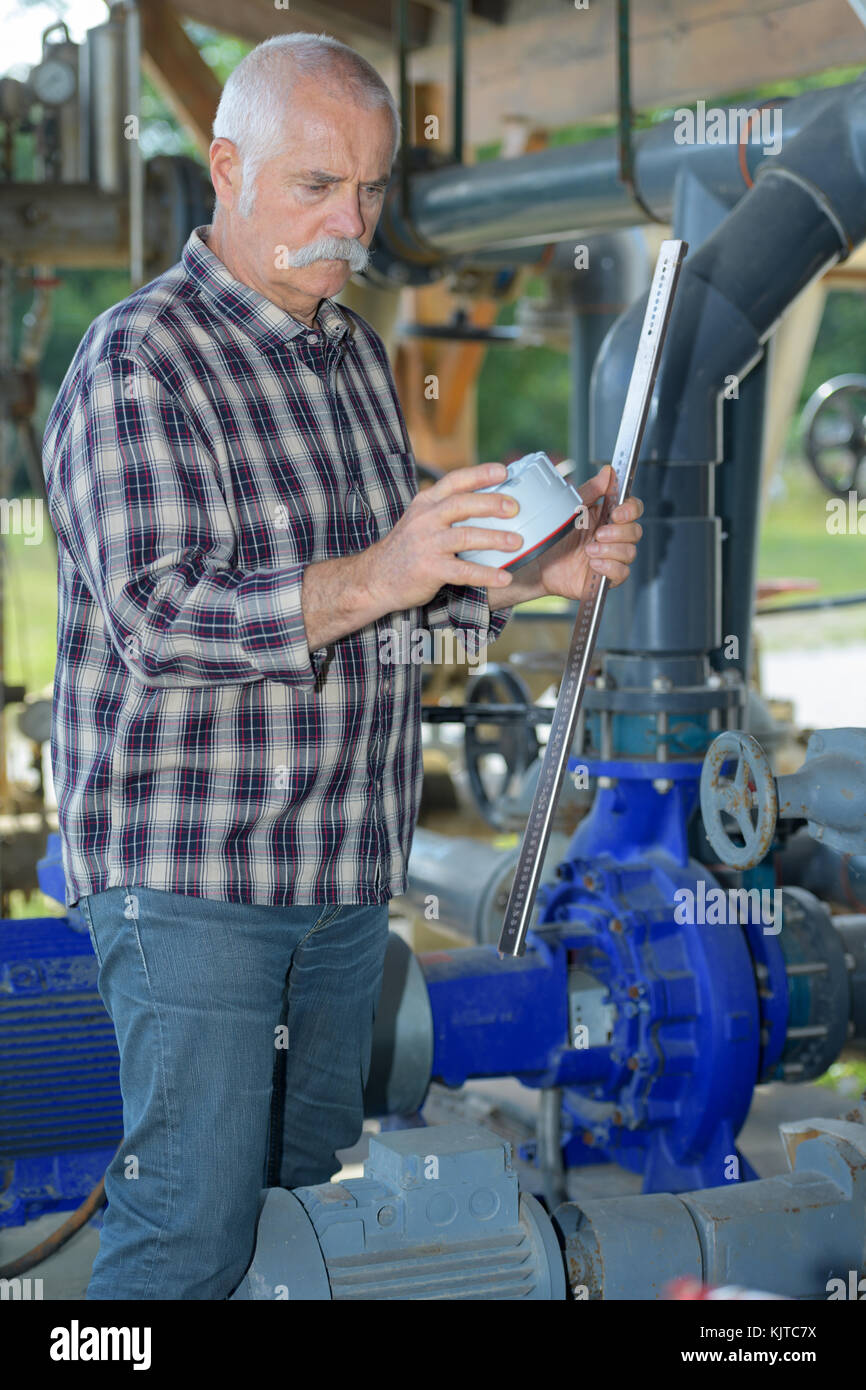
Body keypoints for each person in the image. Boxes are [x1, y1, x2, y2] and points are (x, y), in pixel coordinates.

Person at [41, 32, 644, 1300]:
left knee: (311, 1215)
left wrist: (529, 569)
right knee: (191, 1227)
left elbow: (389, 609)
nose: (350, 221)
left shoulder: (352, 357)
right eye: (317, 186)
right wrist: (384, 568)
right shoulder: (136, 361)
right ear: (225, 167)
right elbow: (160, 621)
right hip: (192, 871)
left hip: (337, 871)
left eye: (370, 189)